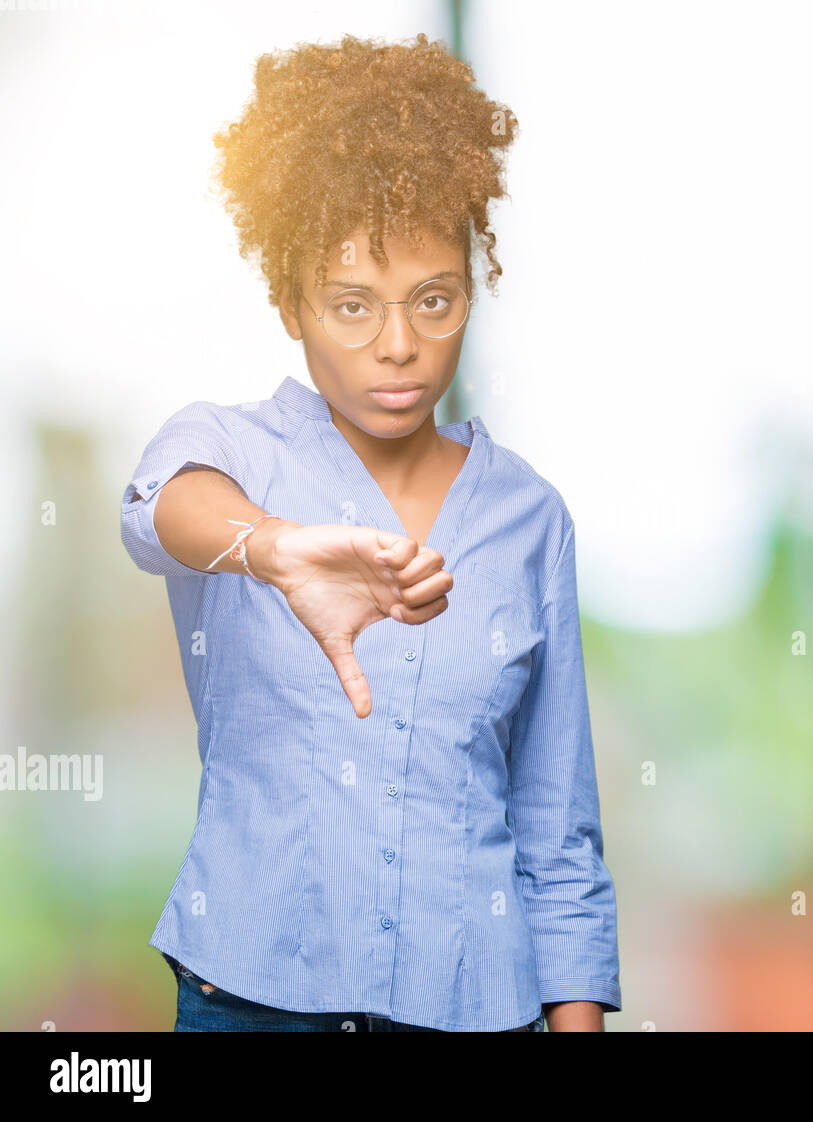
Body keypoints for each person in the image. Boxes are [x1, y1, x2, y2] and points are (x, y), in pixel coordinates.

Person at [119, 33, 620, 1032]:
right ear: (289, 301)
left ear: (472, 290)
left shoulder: (530, 522)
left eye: (433, 300)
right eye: (352, 305)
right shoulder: (230, 454)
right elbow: (156, 511)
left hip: (475, 1009)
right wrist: (272, 548)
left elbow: (555, 831)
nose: (399, 345)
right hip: (250, 1002)